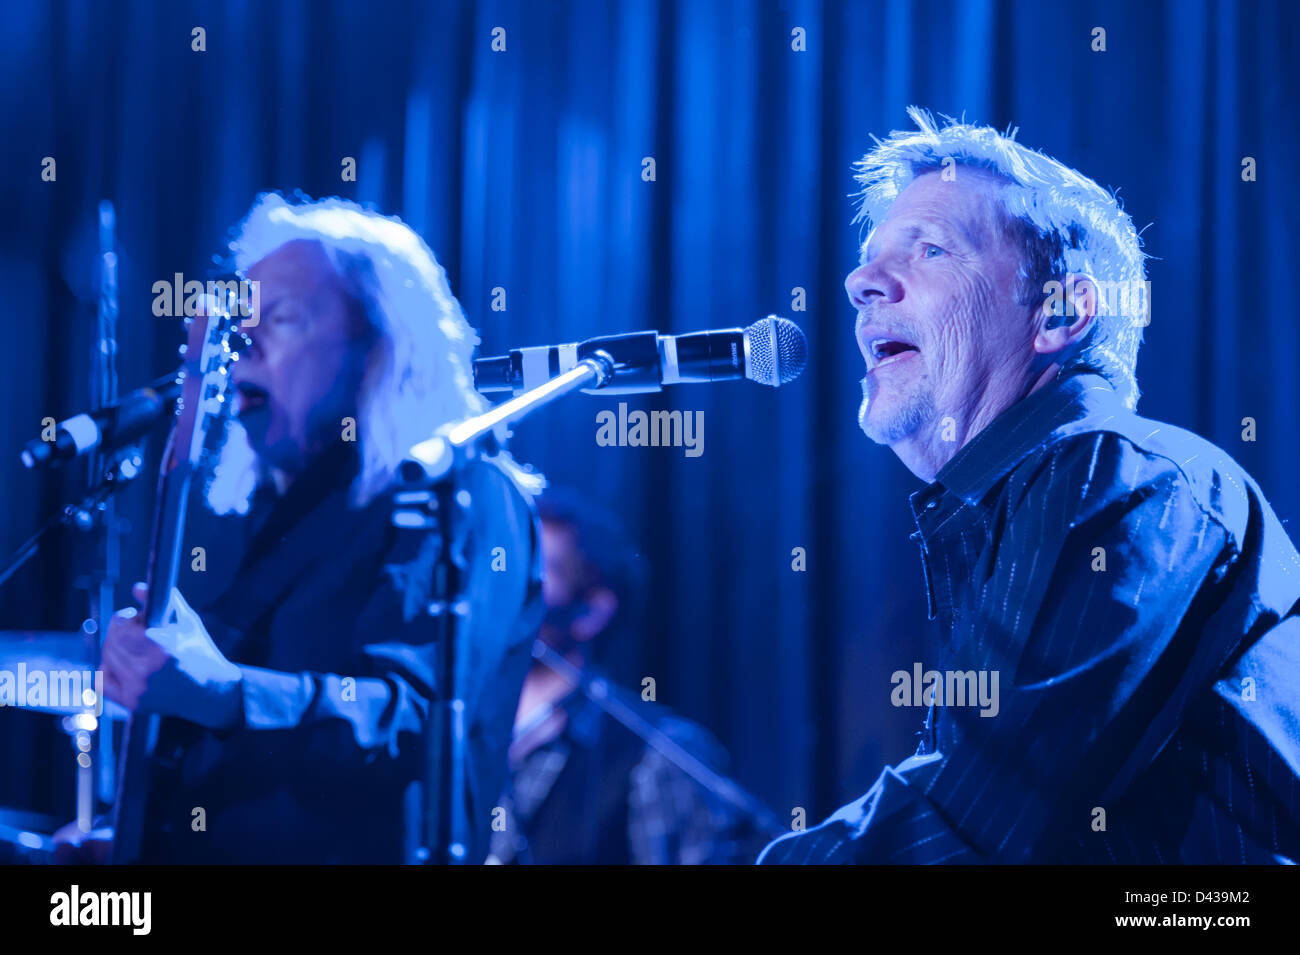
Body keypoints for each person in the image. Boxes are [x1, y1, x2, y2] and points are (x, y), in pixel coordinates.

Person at [759, 108, 1300, 864]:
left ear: (1060, 310)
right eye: (869, 258)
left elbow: (971, 817)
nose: (860, 283)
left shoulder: (1119, 472)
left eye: (931, 249)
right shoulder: (1030, 501)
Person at [60, 194, 544, 864]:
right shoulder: (271, 513)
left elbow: (413, 723)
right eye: (240, 321)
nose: (243, 341)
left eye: (280, 319)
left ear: (378, 345)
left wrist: (226, 692)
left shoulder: (459, 496)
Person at [487, 491, 749, 864]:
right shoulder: (448, 731)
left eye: (536, 569)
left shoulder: (658, 751)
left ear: (592, 611)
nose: (505, 583)